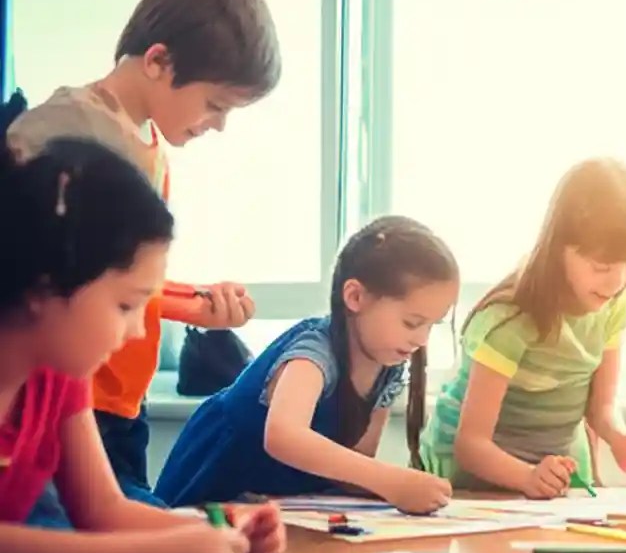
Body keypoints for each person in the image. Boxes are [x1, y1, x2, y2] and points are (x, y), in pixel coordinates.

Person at [7, 0, 280, 505]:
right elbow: (45, 263)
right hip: (71, 400)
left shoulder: (145, 142)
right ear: (158, 61)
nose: (218, 125)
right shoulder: (73, 133)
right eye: (216, 104)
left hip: (119, 403)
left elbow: (117, 273)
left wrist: (189, 303)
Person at [0, 130, 282, 553]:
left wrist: (221, 534)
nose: (135, 331)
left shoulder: (60, 378)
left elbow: (103, 509)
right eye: (126, 306)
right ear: (43, 288)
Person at [156, 217, 457, 513]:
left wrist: (408, 487)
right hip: (218, 485)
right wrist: (389, 480)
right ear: (355, 296)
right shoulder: (314, 351)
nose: (421, 339)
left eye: (432, 326)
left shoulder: (387, 366)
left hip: (282, 505)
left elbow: (355, 465)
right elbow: (284, 436)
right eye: (412, 322)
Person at [421, 159, 626, 498]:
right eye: (602, 266)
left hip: (549, 469)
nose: (618, 281)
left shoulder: (613, 306)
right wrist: (527, 477)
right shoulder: (511, 320)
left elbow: (601, 406)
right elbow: (471, 445)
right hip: (472, 476)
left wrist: (618, 435)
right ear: (558, 248)